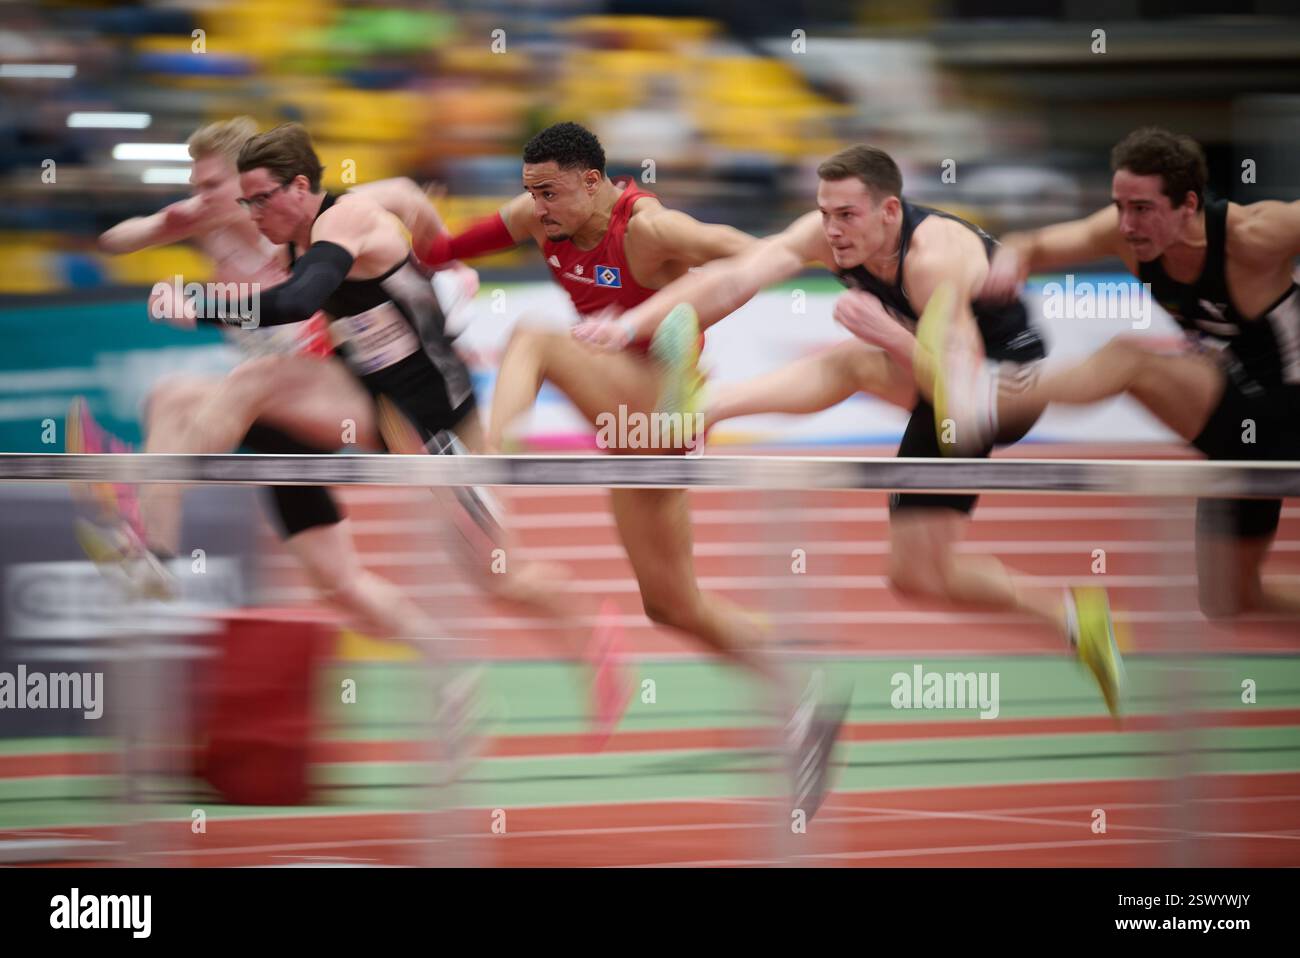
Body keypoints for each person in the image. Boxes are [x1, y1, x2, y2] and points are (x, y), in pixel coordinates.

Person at [573, 143, 1125, 717]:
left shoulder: (934, 259)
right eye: (825, 213)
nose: (832, 231)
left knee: (854, 362)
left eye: (847, 216)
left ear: (890, 212)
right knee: (918, 574)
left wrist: (889, 334)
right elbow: (734, 277)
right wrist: (629, 323)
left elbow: (963, 401)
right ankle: (1074, 618)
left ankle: (704, 411)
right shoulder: (827, 233)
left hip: (1002, 388)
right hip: (934, 379)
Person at [414, 121, 849, 816]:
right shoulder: (539, 216)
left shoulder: (647, 229)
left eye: (551, 193)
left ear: (593, 181)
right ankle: (802, 686)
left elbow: (755, 255)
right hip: (633, 431)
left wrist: (835, 262)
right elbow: (439, 248)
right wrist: (403, 218)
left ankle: (487, 475)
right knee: (671, 604)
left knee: (532, 336)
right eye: (531, 194)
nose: (539, 208)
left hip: (656, 406)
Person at [942, 126, 1300, 621]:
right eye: (1119, 205)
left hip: (1289, 408)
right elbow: (1034, 243)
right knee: (1230, 599)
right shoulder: (1122, 233)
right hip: (1242, 428)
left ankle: (987, 397)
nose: (1127, 224)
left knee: (1128, 357)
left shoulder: (1256, 234)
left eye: (1143, 209)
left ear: (1187, 204)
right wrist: (1012, 257)